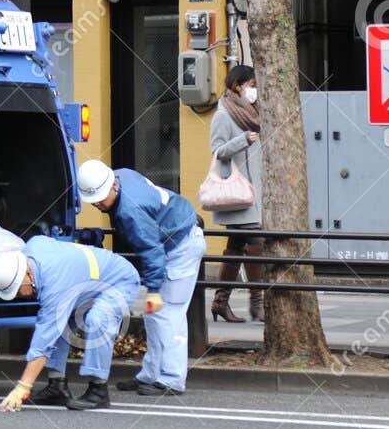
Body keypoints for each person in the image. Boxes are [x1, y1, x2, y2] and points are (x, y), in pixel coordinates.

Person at [77, 160, 204, 396]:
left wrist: (153, 290)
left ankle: (172, 379)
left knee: (169, 314)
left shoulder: (131, 211)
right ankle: (151, 374)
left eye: (101, 198)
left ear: (113, 185)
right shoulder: (121, 175)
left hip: (179, 247)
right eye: (93, 201)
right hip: (177, 236)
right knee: (154, 315)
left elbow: (151, 250)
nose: (98, 204)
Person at [0, 236, 142, 412]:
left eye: (16, 289)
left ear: (27, 274)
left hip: (120, 280)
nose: (17, 295)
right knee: (59, 325)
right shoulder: (29, 252)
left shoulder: (54, 284)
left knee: (98, 319)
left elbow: (43, 341)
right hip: (83, 284)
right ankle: (57, 387)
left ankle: (99, 390)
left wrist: (23, 387)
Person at [208, 65, 263, 322]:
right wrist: (243, 140)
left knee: (236, 245)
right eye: (251, 85)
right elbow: (217, 151)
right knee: (256, 242)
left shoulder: (249, 113)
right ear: (238, 86)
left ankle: (220, 302)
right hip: (236, 192)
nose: (254, 90)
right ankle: (257, 303)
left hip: (249, 191)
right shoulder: (223, 114)